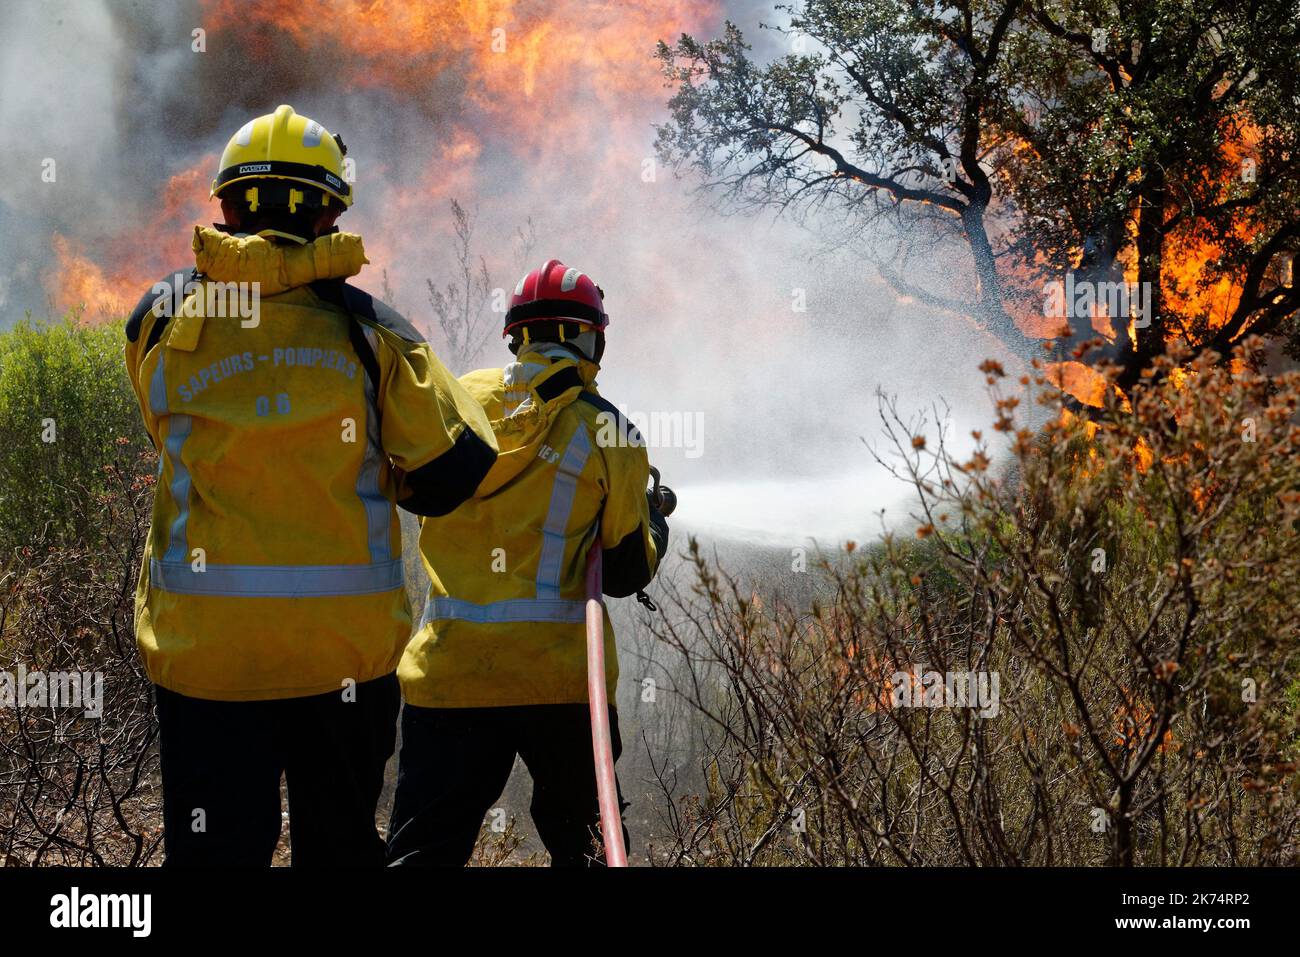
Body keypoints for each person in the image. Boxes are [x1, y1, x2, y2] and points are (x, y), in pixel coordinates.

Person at [123, 104, 497, 866]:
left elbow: (169, 430)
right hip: (344, 665)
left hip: (208, 662)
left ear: (225, 206)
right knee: (336, 850)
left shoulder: (158, 319)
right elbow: (454, 470)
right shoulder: (375, 332)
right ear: (331, 211)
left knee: (214, 856)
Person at [388, 258, 669, 866]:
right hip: (562, 683)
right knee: (587, 851)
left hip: (451, 674)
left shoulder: (455, 404)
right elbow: (624, 572)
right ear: (592, 337)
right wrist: (655, 522)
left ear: (516, 334)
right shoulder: (607, 429)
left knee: (423, 852)